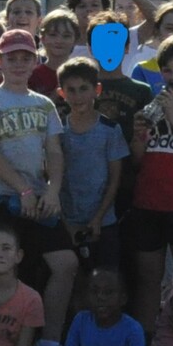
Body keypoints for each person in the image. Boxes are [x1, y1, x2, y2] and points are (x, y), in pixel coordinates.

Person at [0, 29, 79, 326]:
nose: (19, 64)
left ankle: (49, 342)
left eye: (25, 58)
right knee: (0, 269)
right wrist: (23, 190)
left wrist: (52, 190)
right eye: (12, 58)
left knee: (65, 264)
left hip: (37, 198)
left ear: (35, 62)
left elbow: (54, 152)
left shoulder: (44, 104)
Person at [54, 57, 129, 308]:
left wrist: (98, 218)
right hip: (68, 222)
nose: (77, 96)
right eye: (71, 90)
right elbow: (53, 177)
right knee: (75, 283)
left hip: (103, 222)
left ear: (96, 90)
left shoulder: (109, 130)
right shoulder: (57, 131)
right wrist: (66, 224)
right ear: (61, 93)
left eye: (83, 89)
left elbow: (115, 177)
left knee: (107, 282)